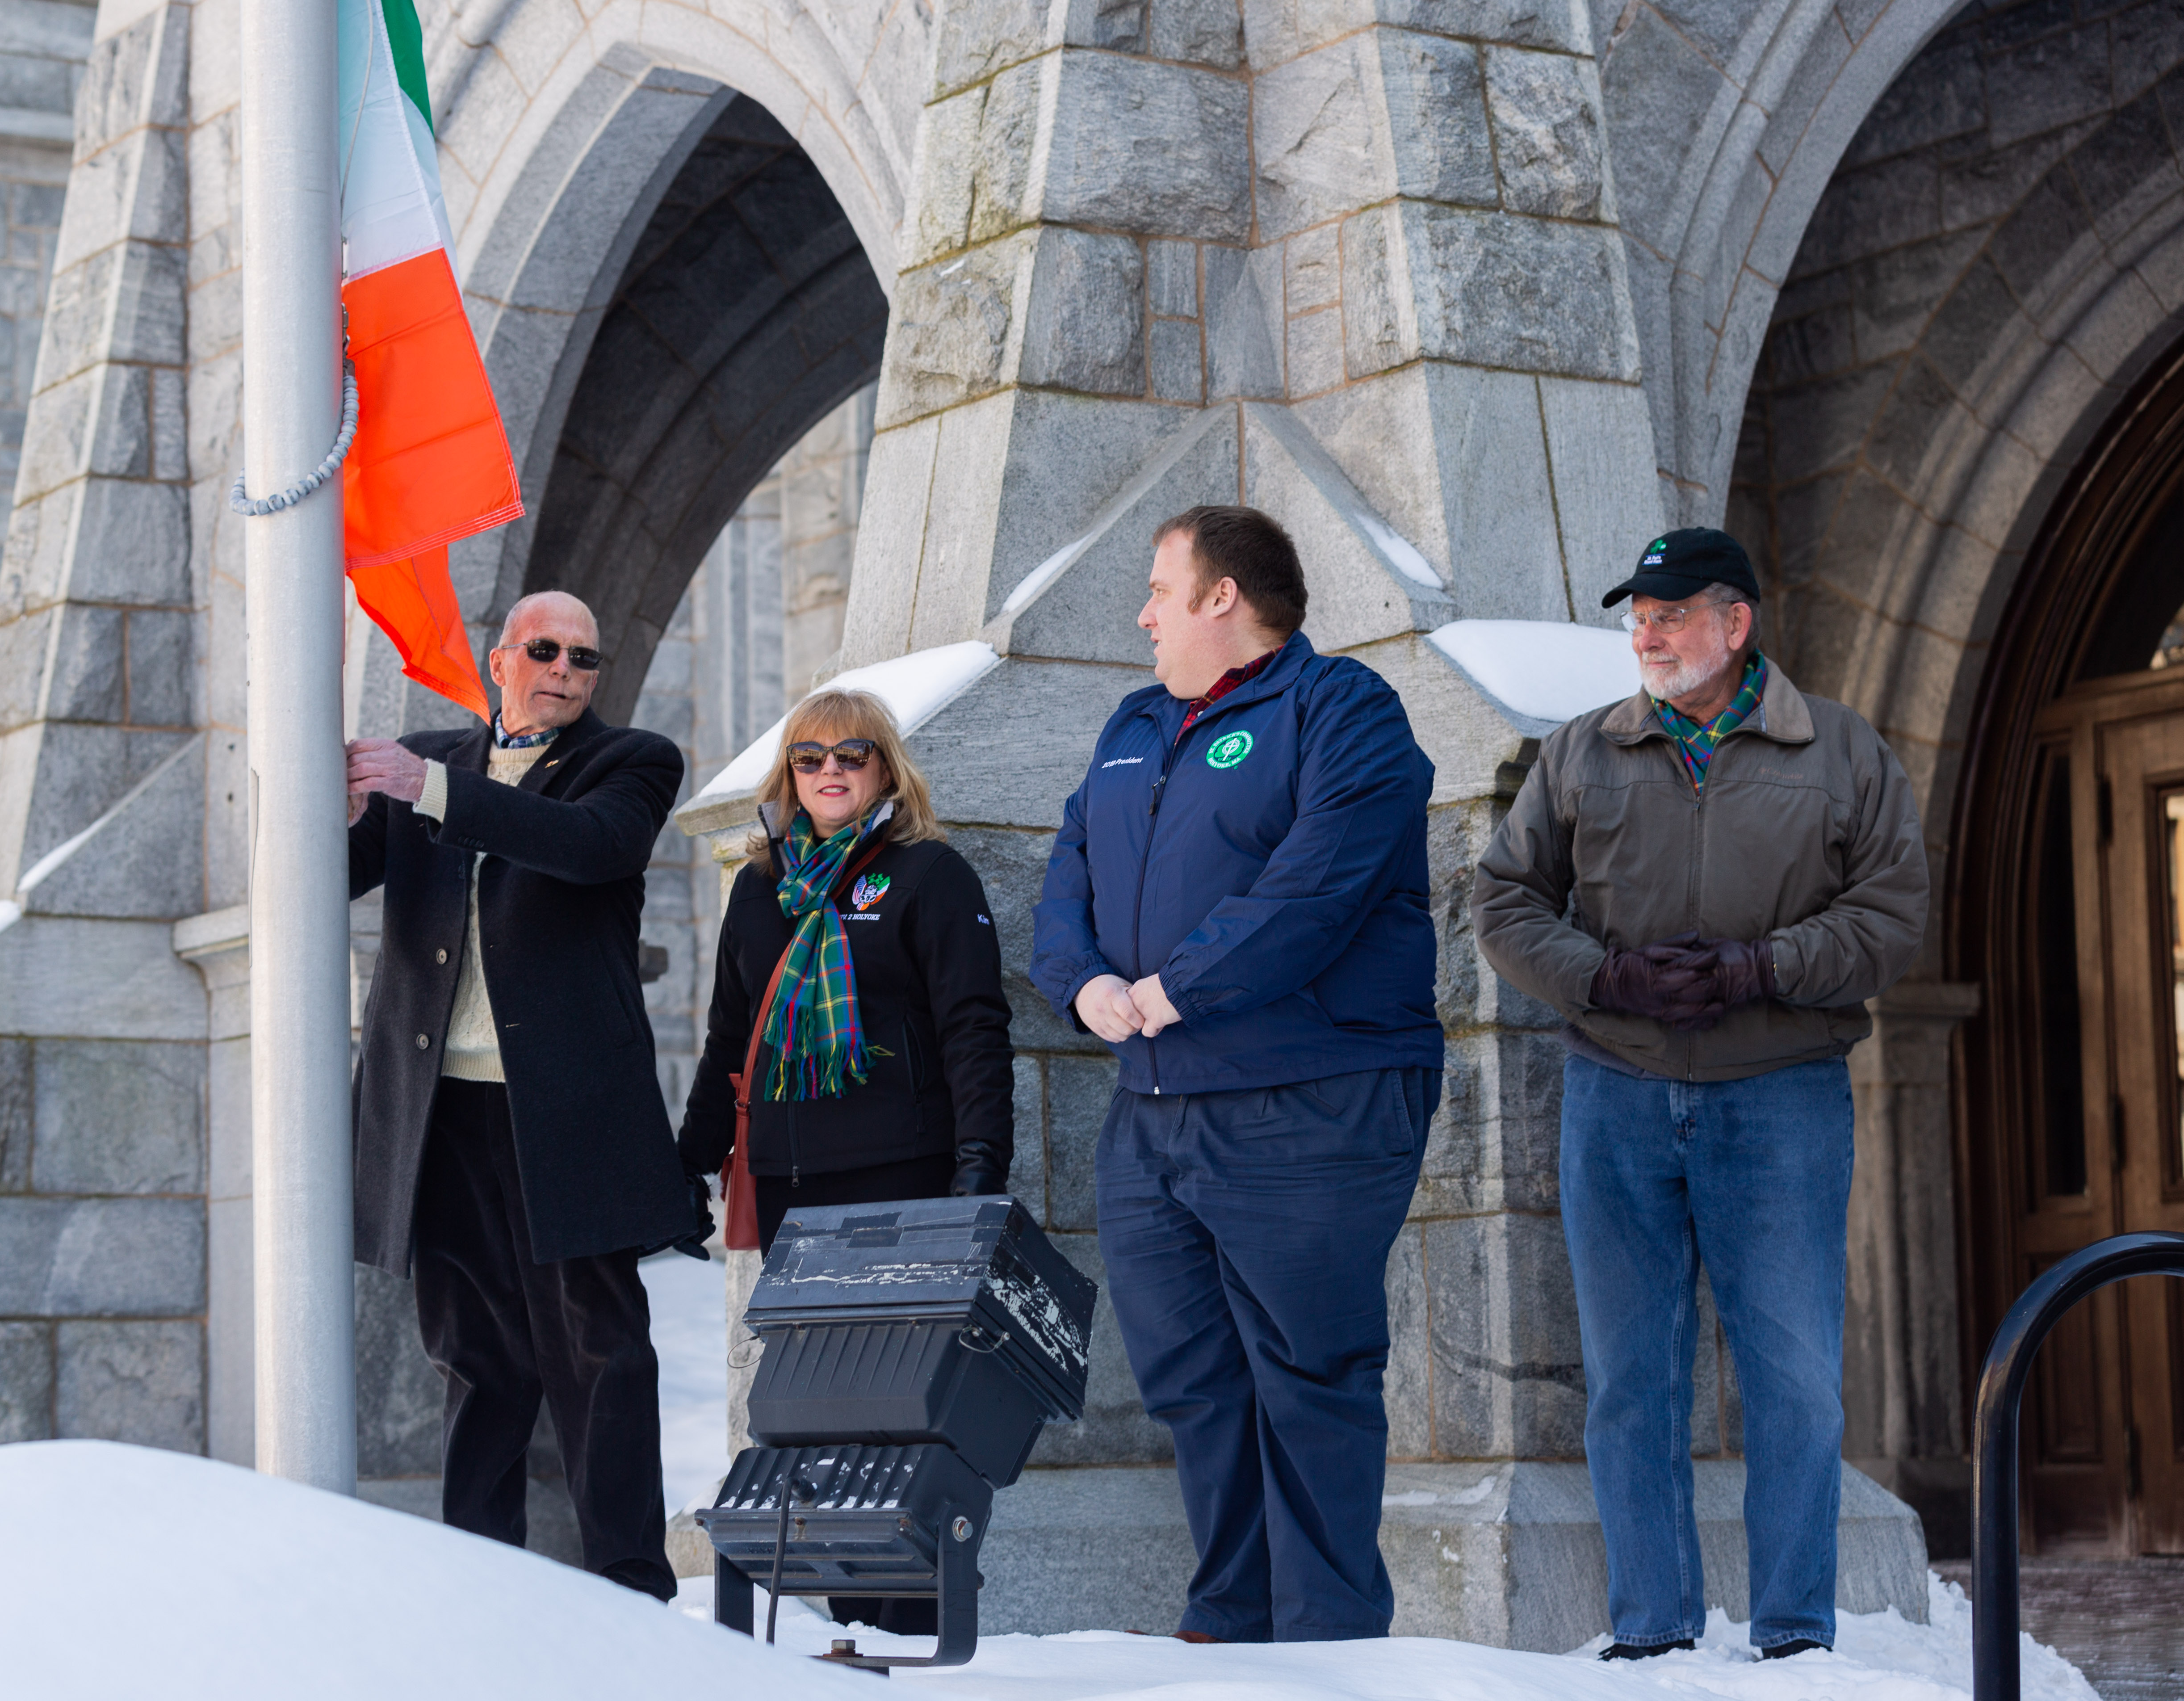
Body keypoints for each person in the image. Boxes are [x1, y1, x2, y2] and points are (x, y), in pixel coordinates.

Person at [1470, 528, 1927, 1661]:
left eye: (1672, 612)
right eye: (1638, 613)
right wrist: (1600, 974)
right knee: (1629, 1379)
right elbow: (1500, 899)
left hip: (1776, 1097)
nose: (1647, 631)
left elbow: (1887, 917)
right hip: (1615, 1094)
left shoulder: (1840, 751)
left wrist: (1758, 967)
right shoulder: (1581, 751)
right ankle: (1650, 1626)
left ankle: (1790, 1633)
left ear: (1736, 623)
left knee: (1793, 1379)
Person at [1030, 505, 1443, 1644]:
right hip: (1152, 1108)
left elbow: (1315, 888)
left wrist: (1171, 988)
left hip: (1309, 1094)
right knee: (1191, 1379)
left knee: (1306, 1372)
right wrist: (1079, 985)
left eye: (1159, 588)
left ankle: (1326, 1637)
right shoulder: (1130, 724)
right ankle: (1231, 1615)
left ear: (1223, 597)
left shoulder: (1341, 709)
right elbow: (1065, 875)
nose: (1142, 612)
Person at [344, 589, 700, 1603]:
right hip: (437, 1114)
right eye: (542, 649)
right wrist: (339, 807)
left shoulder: (630, 760)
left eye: (583, 658)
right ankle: (480, 1584)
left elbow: (589, 844)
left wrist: (429, 789)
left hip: (568, 1121)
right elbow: (332, 878)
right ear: (499, 658)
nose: (563, 669)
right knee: (474, 1356)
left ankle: (635, 1589)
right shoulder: (430, 757)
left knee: (603, 1353)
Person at [676, 687, 1013, 1260]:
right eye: (808, 757)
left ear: (885, 771)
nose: (829, 767)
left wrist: (981, 1161)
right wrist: (687, 1168)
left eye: (853, 753)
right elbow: (731, 1041)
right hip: (789, 1178)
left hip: (901, 1169)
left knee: (900, 1349)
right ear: (791, 775)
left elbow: (972, 1030)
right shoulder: (759, 888)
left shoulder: (930, 873)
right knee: (807, 1351)